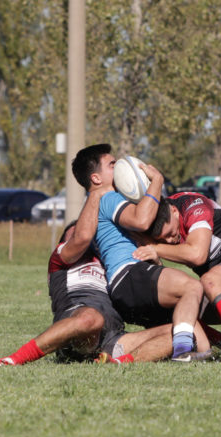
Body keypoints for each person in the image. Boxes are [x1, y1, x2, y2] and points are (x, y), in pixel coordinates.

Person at [0, 187, 206, 367]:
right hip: (79, 327)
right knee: (92, 318)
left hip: (111, 338)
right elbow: (80, 238)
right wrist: (97, 193)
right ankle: (12, 360)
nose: (85, 239)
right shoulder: (60, 259)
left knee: (177, 331)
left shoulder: (108, 262)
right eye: (75, 233)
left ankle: (117, 363)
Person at [73, 144, 207, 362]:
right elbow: (141, 220)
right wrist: (157, 182)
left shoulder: (104, 201)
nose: (119, 167)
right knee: (191, 286)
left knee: (199, 342)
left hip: (127, 285)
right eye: (112, 164)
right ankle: (182, 351)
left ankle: (119, 361)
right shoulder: (107, 198)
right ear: (96, 178)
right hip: (128, 275)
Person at [134, 192, 221, 360]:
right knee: (171, 302)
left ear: (174, 210)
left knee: (210, 280)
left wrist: (155, 247)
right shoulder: (155, 228)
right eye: (163, 239)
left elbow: (197, 255)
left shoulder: (192, 204)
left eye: (171, 233)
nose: (171, 240)